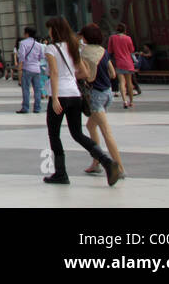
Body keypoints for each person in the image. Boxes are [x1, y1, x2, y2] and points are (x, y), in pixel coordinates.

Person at [41, 16, 120, 186]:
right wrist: (69, 77)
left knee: (54, 134)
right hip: (75, 95)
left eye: (49, 29)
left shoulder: (50, 49)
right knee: (77, 133)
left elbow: (54, 73)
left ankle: (61, 174)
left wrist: (54, 97)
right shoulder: (73, 46)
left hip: (60, 95)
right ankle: (106, 161)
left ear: (54, 30)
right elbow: (84, 73)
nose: (48, 32)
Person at [79, 24, 124, 180]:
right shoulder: (103, 51)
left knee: (106, 133)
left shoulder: (84, 53)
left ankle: (119, 167)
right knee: (90, 125)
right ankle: (96, 162)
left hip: (96, 95)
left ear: (85, 37)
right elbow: (112, 73)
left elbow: (89, 77)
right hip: (108, 93)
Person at [106, 23, 137, 109]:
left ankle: (124, 101)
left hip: (119, 63)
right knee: (129, 82)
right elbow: (132, 50)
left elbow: (109, 50)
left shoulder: (112, 38)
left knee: (122, 82)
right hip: (129, 63)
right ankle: (131, 101)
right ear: (125, 30)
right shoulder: (128, 38)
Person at [16, 26, 44, 114]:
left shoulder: (23, 43)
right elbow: (41, 57)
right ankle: (37, 108)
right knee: (37, 89)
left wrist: (19, 69)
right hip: (37, 69)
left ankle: (25, 107)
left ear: (27, 34)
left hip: (27, 68)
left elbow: (21, 57)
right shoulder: (39, 44)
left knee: (26, 89)